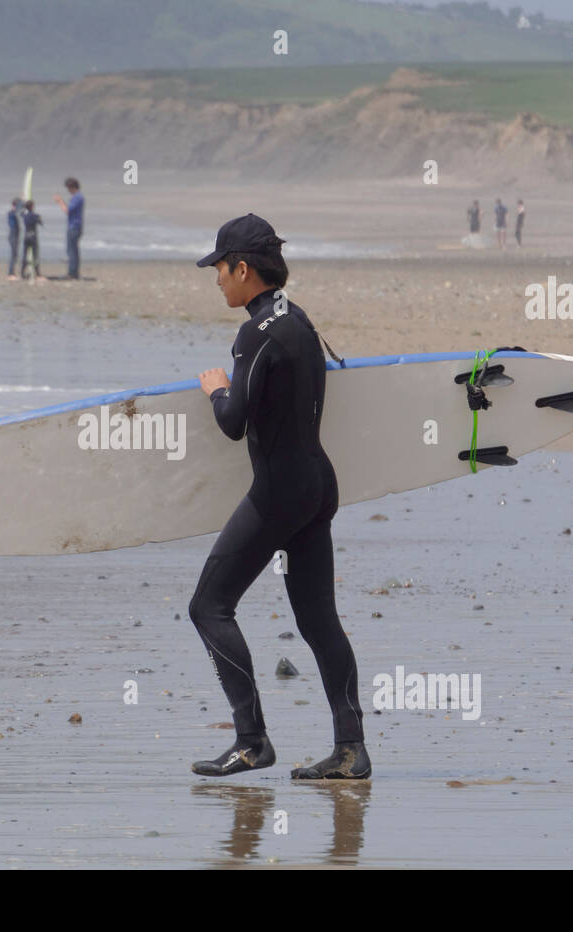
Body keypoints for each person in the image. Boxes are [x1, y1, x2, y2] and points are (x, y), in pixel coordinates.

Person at [189, 213, 369, 780]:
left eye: (219, 268)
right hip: (318, 484)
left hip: (281, 493)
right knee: (319, 624)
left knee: (209, 606)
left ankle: (251, 742)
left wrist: (217, 389)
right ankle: (350, 751)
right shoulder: (302, 321)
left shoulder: (256, 333)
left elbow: (234, 422)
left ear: (243, 268)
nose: (217, 279)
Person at [53, 177, 84, 279]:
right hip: (74, 226)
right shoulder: (77, 197)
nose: (68, 190)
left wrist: (60, 201)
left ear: (72, 187)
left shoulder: (77, 197)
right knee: (72, 249)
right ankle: (73, 272)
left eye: (69, 188)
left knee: (71, 250)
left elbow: (67, 210)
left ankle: (72, 273)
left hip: (74, 226)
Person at [21, 200, 45, 282]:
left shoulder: (24, 215)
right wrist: (39, 218)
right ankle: (37, 274)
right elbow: (41, 223)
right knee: (35, 256)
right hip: (33, 237)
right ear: (32, 207)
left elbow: (21, 212)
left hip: (26, 236)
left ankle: (22, 273)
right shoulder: (35, 216)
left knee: (25, 255)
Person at [7, 197, 22, 279]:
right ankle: (11, 273)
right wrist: (21, 202)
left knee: (15, 255)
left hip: (15, 235)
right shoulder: (11, 213)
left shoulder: (14, 213)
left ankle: (12, 272)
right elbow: (18, 210)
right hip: (13, 235)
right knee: (13, 255)